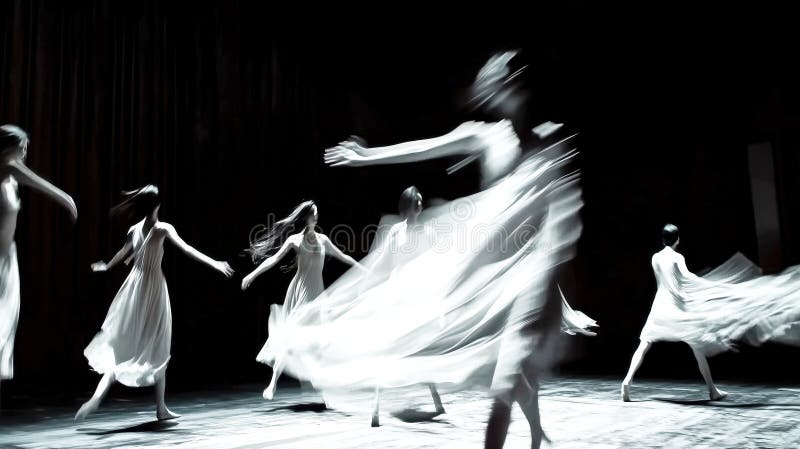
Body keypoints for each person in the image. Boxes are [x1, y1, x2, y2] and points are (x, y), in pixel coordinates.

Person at [316, 50, 586, 447]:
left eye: (518, 73)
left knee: (509, 378)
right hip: (495, 279)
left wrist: (557, 290)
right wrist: (366, 156)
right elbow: (425, 147)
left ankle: (532, 436)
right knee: (511, 378)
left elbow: (563, 224)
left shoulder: (552, 137)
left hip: (532, 281)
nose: (514, 80)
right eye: (505, 75)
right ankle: (535, 437)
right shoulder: (484, 135)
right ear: (493, 89)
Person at [76, 185, 233, 420]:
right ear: (158, 205)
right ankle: (160, 408)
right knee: (160, 343)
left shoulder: (134, 229)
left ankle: (98, 399)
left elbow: (123, 252)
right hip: (153, 288)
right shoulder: (162, 228)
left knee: (122, 346)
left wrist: (107, 266)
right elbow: (187, 249)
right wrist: (215, 263)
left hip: (134, 289)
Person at [621, 223, 800, 402]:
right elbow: (686, 278)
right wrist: (708, 283)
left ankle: (627, 382)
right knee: (697, 347)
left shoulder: (655, 258)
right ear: (677, 239)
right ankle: (712, 390)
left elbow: (665, 281)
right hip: (677, 308)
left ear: (662, 239)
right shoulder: (678, 258)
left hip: (659, 307)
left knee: (644, 344)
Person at [241, 200, 364, 400]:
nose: (317, 216)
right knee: (290, 338)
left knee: (318, 342)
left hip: (317, 294)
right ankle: (272, 384)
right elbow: (272, 259)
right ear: (306, 217)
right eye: (314, 213)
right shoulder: (295, 240)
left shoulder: (323, 240)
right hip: (301, 292)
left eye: (317, 213)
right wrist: (252, 274)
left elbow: (343, 256)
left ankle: (317, 382)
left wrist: (363, 268)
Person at [0, 124, 77, 401]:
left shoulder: (9, 174)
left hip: (7, 262)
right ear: (13, 146)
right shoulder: (6, 167)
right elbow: (37, 182)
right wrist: (66, 199)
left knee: (5, 329)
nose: (26, 152)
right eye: (24, 146)